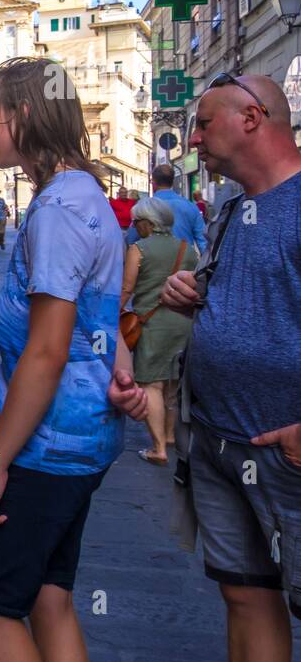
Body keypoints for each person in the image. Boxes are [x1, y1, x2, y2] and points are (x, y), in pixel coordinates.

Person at [0, 57, 148, 662]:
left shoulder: (58, 208)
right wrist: (121, 370)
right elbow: (101, 313)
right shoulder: (83, 194)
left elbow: (45, 351)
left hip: (47, 448)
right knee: (49, 596)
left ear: (27, 114)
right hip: (83, 440)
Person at [159, 72, 301, 662]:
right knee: (246, 595)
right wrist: (190, 296)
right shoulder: (227, 210)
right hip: (218, 440)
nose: (192, 139)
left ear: (253, 117)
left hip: (285, 449)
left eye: (204, 123)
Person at [121, 197, 197, 466]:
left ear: (147, 223)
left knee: (152, 384)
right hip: (185, 323)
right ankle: (170, 436)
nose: (134, 227)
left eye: (136, 222)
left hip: (152, 325)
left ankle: (158, 448)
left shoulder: (138, 249)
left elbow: (127, 288)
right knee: (174, 386)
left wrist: (111, 314)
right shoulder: (189, 249)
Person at [150, 164, 208, 254]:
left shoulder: (144, 207)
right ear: (172, 182)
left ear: (153, 182)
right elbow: (203, 241)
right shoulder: (190, 206)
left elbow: (132, 239)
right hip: (184, 261)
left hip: (152, 262)